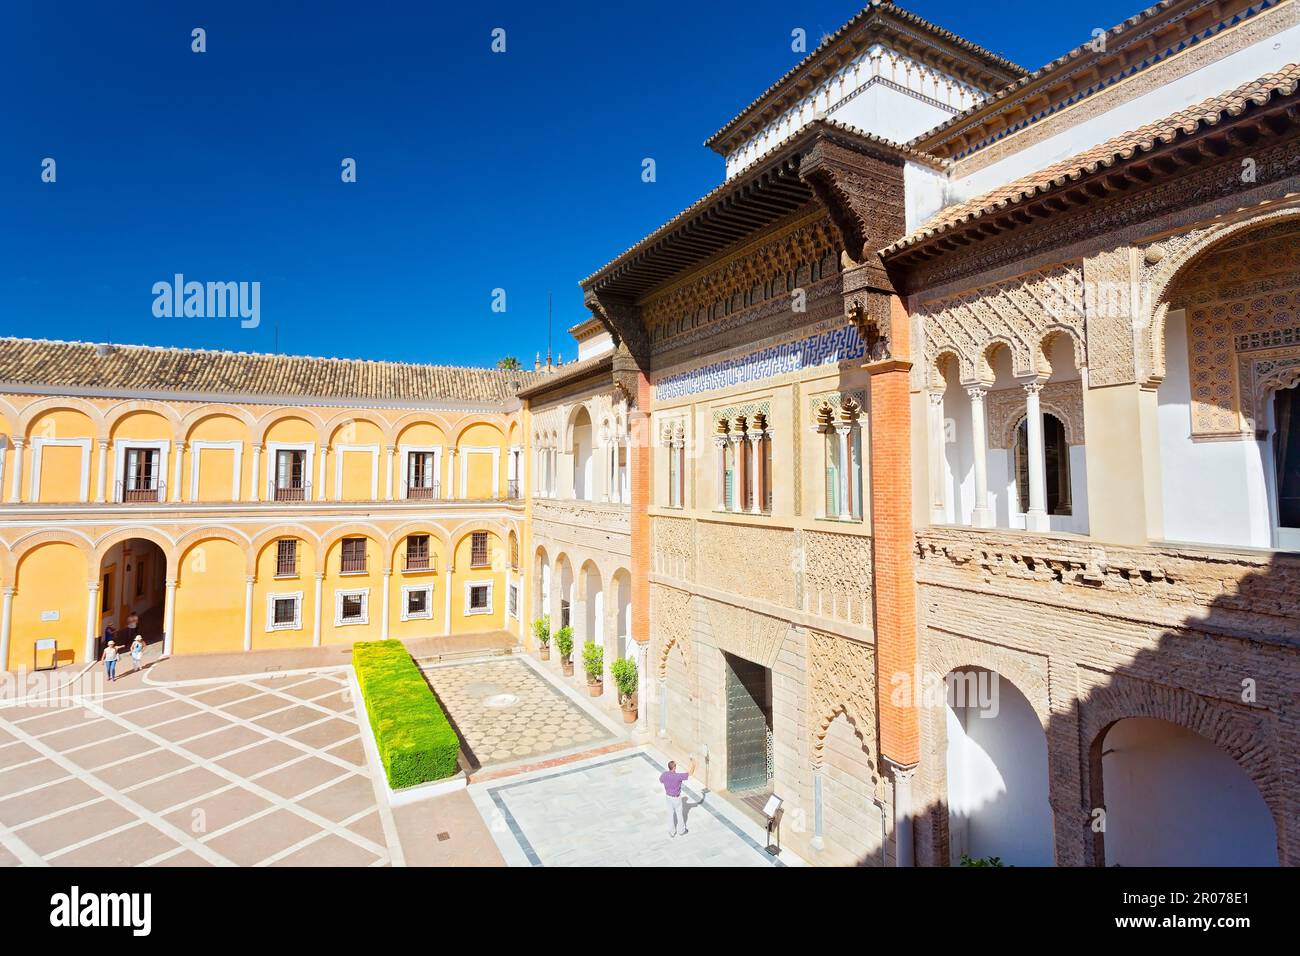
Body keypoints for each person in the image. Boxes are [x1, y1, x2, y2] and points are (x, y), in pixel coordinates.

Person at [659, 756, 697, 838]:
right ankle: (681, 831)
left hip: (668, 797)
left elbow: (661, 780)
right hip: (676, 798)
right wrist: (693, 764)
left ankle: (672, 832)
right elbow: (690, 773)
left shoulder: (664, 775)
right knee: (679, 814)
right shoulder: (678, 776)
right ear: (675, 767)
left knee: (670, 814)